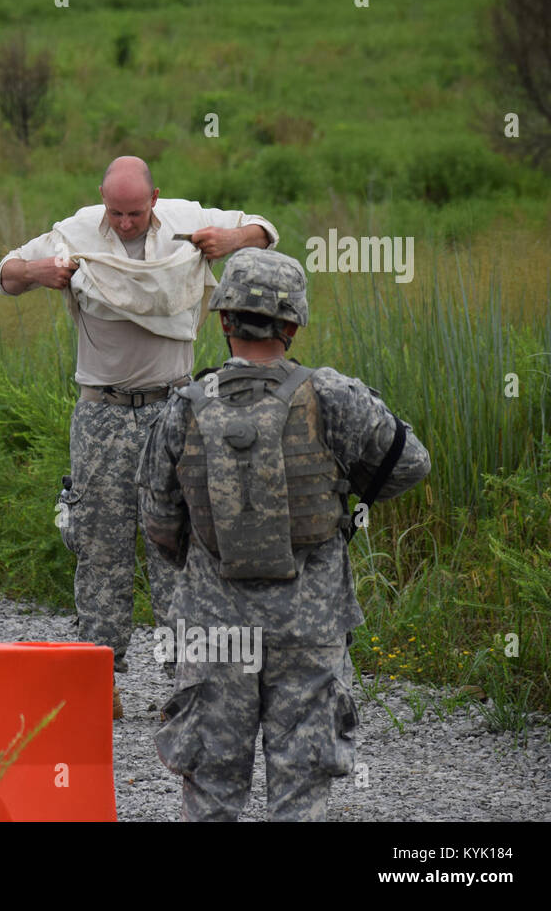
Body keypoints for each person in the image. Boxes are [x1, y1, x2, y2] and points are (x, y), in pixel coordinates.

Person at [136, 246, 431, 820]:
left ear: (223, 319)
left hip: (213, 626)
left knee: (212, 787)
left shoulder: (183, 407)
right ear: (293, 324)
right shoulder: (333, 395)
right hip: (310, 620)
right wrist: (346, 500)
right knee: (301, 786)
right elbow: (411, 462)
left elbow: (159, 524)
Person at [0, 155, 279, 716]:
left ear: (155, 198)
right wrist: (39, 274)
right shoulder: (72, 233)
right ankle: (99, 682)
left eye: (134, 211)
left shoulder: (183, 220)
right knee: (100, 544)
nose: (125, 222)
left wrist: (229, 238)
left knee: (176, 544)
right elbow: (5, 273)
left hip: (172, 409)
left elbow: (265, 230)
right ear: (103, 200)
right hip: (100, 412)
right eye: (116, 212)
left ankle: (186, 686)